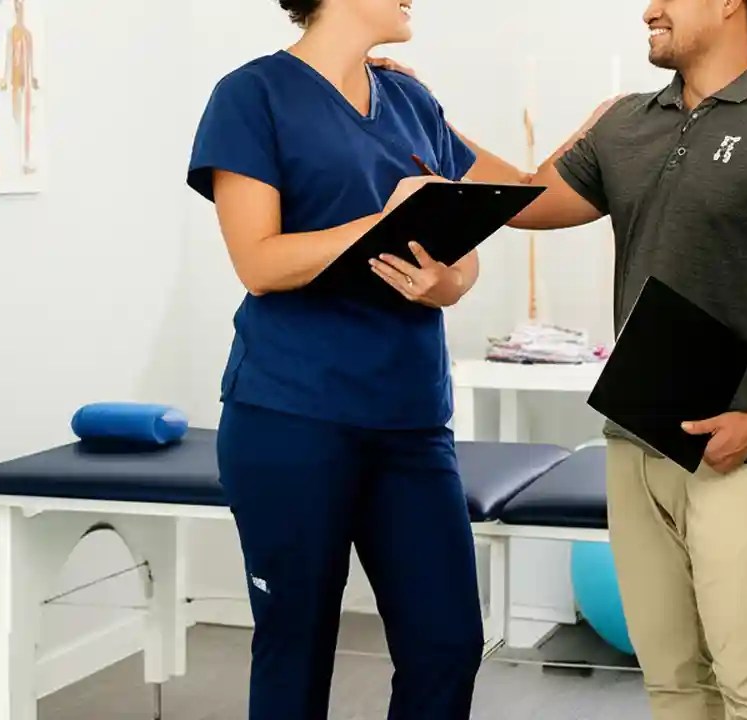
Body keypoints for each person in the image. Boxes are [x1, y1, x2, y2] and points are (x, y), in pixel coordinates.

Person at [508, 1, 747, 718]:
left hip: (739, 448)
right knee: (670, 678)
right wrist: (424, 120)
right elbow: (521, 202)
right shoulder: (626, 123)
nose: (649, 9)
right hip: (635, 439)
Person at [183, 1, 528, 718]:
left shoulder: (411, 99)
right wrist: (380, 223)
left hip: (411, 421)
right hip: (292, 415)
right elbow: (259, 261)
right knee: (296, 645)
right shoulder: (251, 96)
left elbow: (460, 257)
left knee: (449, 643)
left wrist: (446, 283)